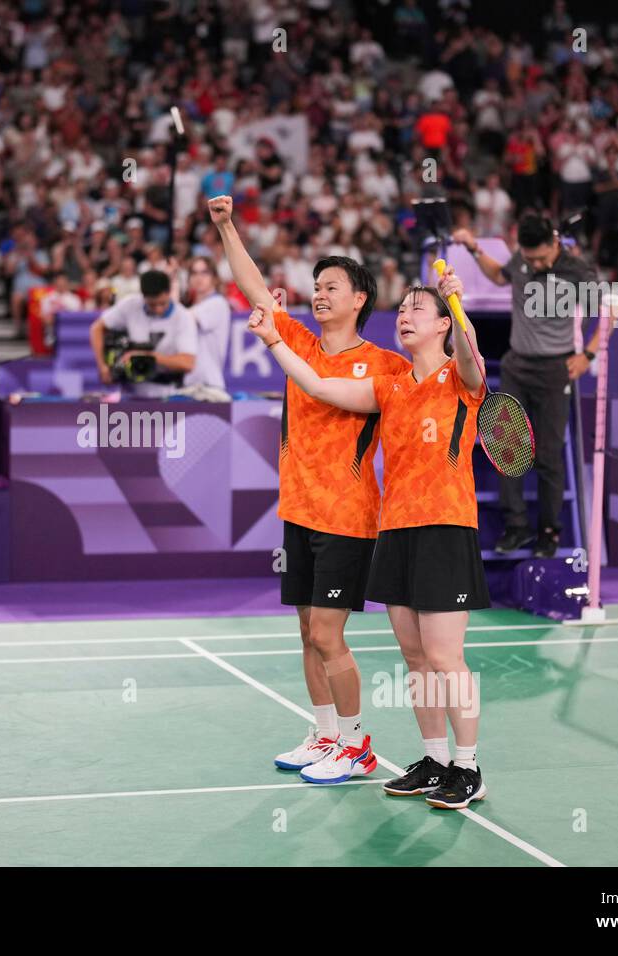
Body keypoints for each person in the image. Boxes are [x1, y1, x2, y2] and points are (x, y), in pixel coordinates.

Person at [247, 270, 491, 809]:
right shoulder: (390, 386)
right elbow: (317, 385)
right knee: (416, 657)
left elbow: (473, 354)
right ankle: (433, 758)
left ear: (443, 326)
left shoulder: (461, 381)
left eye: (417, 310)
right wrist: (273, 343)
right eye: (400, 309)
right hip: (396, 529)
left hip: (446, 527)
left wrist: (453, 295)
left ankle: (469, 765)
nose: (404, 316)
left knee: (447, 657)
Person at [209, 193, 411, 785]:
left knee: (328, 632)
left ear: (359, 299)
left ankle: (355, 744)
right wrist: (226, 229)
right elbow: (253, 288)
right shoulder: (301, 340)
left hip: (348, 516)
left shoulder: (382, 365)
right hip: (298, 508)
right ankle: (323, 732)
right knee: (306, 630)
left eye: (330, 286)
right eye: (315, 285)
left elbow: (336, 389)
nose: (318, 293)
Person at [452, 212, 605, 557]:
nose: (533, 264)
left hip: (556, 369)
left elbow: (613, 314)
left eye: (539, 257)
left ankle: (548, 532)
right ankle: (516, 527)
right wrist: (475, 248)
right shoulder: (521, 258)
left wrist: (589, 356)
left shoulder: (578, 271)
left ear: (555, 243)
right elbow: (497, 274)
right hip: (517, 366)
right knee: (509, 450)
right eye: (528, 257)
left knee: (549, 455)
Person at [88, 268, 197, 397]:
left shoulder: (183, 317)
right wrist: (103, 366)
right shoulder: (130, 305)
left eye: (162, 303)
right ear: (143, 296)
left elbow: (187, 363)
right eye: (152, 304)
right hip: (131, 392)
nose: (158, 309)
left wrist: (148, 357)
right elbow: (97, 329)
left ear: (169, 293)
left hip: (167, 393)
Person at [181, 256, 231, 392]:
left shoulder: (218, 303)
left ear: (214, 278)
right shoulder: (191, 307)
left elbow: (180, 319)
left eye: (204, 272)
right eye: (194, 273)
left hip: (208, 385)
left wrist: (172, 284)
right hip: (189, 384)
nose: (199, 278)